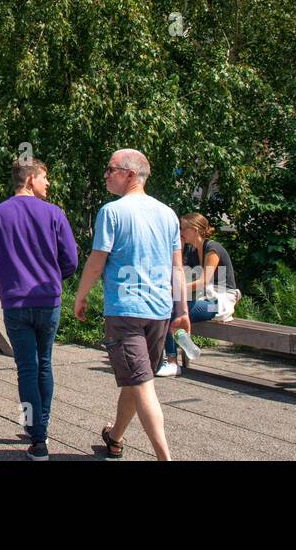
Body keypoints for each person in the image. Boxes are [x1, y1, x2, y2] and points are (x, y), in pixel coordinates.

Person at [74, 149, 189, 461]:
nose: (106, 175)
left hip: (125, 311)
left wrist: (80, 295)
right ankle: (115, 438)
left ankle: (165, 457)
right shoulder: (168, 214)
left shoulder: (111, 212)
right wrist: (182, 310)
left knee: (142, 384)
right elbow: (177, 267)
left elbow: (97, 261)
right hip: (160, 312)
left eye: (111, 169)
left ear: (130, 174)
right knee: (138, 381)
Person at [0, 157, 79, 460]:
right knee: (45, 363)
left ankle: (37, 436)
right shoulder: (54, 214)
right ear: (31, 178)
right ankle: (41, 428)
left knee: (27, 368)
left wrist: (2, 269)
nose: (48, 183)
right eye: (45, 177)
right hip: (48, 300)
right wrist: (51, 275)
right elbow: (71, 260)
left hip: (15, 301)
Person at [158, 213, 241, 376]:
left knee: (171, 312)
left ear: (194, 230)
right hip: (205, 297)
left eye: (183, 229)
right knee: (168, 308)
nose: (180, 232)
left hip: (219, 301)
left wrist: (175, 291)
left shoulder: (213, 248)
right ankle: (176, 352)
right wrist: (180, 247)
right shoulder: (193, 250)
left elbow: (204, 281)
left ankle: (173, 362)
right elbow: (181, 273)